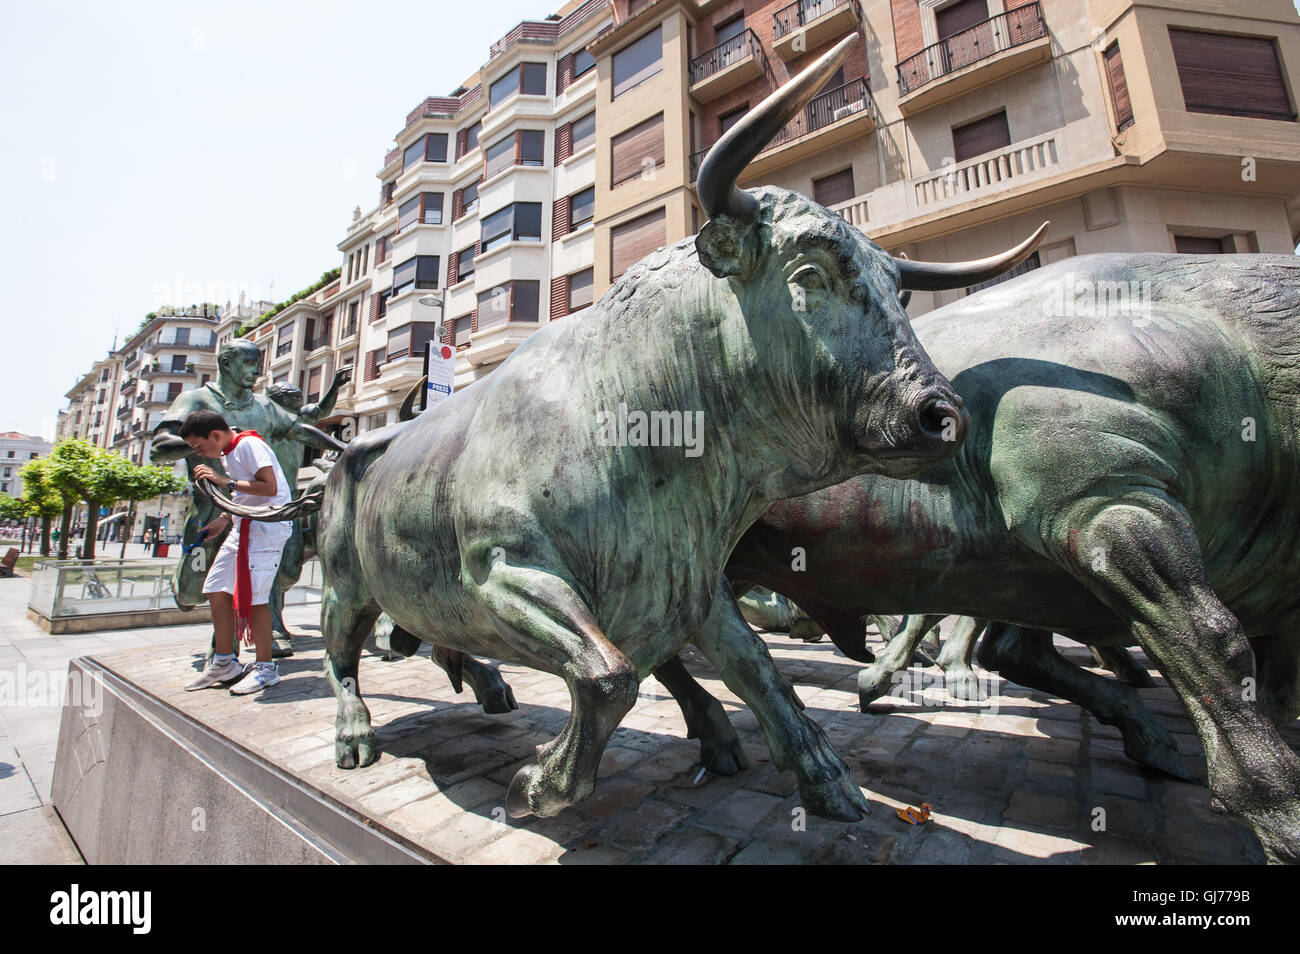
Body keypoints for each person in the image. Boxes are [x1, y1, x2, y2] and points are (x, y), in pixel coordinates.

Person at [180, 409, 293, 696]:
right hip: (244, 526)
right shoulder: (229, 453)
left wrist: (223, 481)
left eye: (199, 446)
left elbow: (270, 488)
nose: (200, 453)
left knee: (256, 598)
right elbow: (245, 495)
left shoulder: (248, 445)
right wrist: (224, 520)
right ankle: (224, 662)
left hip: (266, 528)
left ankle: (266, 669)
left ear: (215, 435)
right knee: (216, 588)